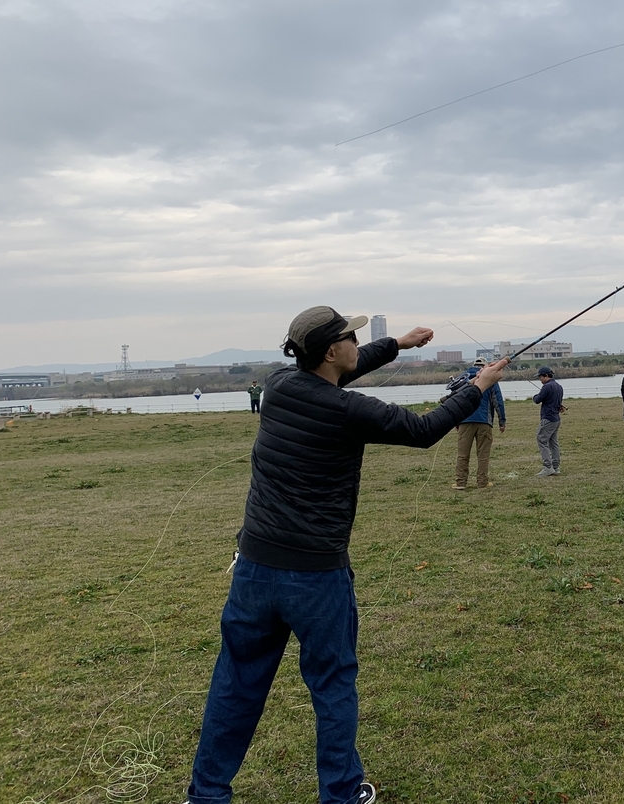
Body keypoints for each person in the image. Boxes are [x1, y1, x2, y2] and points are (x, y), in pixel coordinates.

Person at [183, 306, 505, 804]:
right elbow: (423, 431)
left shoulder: (279, 385)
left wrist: (398, 343)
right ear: (332, 351)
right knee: (332, 686)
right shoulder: (348, 410)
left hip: (253, 570)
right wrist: (479, 385)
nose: (358, 342)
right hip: (314, 577)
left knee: (235, 684)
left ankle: (205, 795)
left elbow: (347, 367)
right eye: (350, 337)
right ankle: (340, 793)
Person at [453, 358, 506, 490]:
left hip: (465, 421)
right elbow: (497, 400)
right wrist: (502, 421)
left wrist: (456, 420)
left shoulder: (462, 379)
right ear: (485, 366)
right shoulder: (490, 378)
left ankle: (460, 482)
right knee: (483, 454)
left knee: (463, 454)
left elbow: (456, 400)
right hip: (484, 421)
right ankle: (482, 482)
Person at [532, 365, 563, 477]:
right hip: (556, 418)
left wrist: (535, 396)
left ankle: (547, 467)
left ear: (545, 376)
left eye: (540, 377)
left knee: (542, 440)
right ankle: (556, 466)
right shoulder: (559, 386)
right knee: (553, 443)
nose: (540, 379)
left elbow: (537, 400)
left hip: (548, 418)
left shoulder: (546, 387)